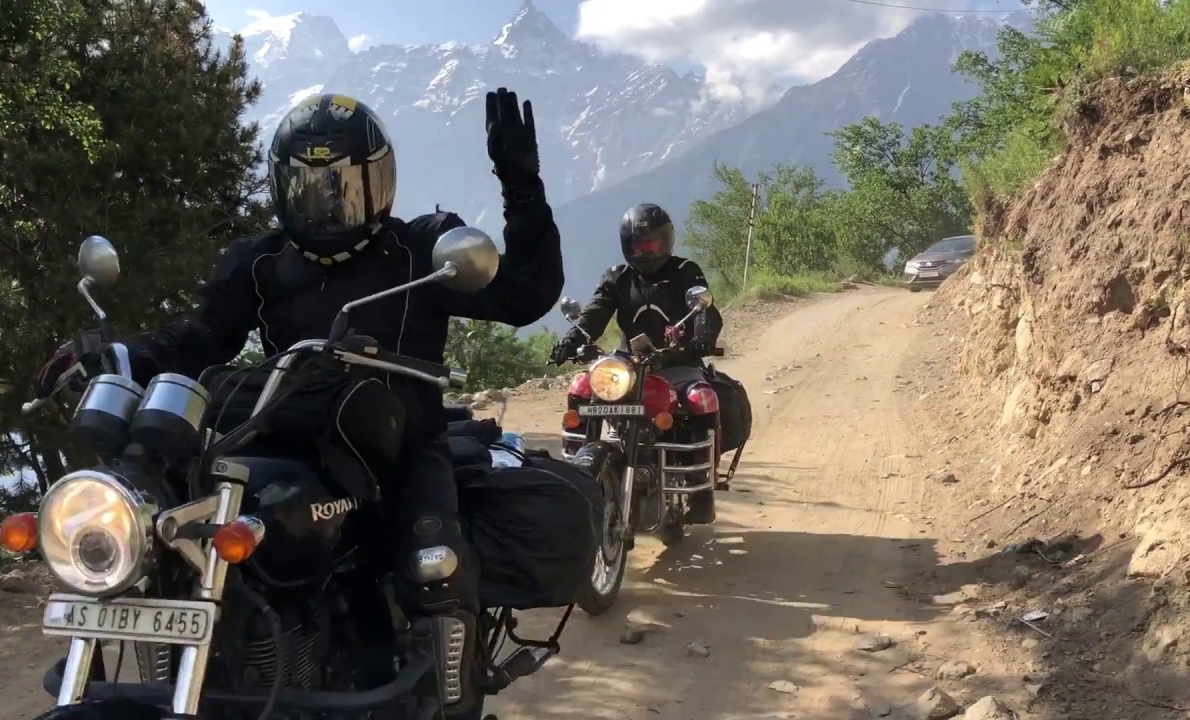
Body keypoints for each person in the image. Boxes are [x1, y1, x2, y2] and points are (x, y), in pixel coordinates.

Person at [36, 88, 562, 717]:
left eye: (342, 183)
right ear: (281, 187)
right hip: (289, 445)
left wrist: (521, 185)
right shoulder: (260, 263)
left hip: (399, 449)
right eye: (307, 185)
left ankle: (452, 700)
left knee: (436, 566)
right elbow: (200, 338)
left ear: (378, 182)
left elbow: (524, 296)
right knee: (173, 549)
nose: (326, 201)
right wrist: (117, 357)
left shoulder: (421, 249)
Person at [550, 202, 721, 523]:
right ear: (627, 245)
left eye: (652, 242)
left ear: (666, 240)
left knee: (702, 398)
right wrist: (571, 342)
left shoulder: (686, 271)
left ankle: (701, 487)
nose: (646, 250)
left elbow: (706, 312)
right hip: (630, 365)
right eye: (638, 244)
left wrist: (702, 337)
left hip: (677, 363)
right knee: (583, 385)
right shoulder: (618, 278)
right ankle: (577, 468)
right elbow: (595, 314)